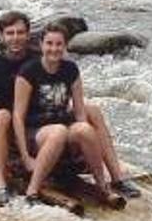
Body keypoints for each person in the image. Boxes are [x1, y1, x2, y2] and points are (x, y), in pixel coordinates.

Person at [0, 12, 138, 206]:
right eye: (10, 33)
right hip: (18, 122)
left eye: (21, 32)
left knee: (92, 109)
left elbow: (63, 90)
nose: (16, 37)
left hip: (47, 114)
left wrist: (83, 140)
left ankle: (116, 177)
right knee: (2, 115)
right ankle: (1, 185)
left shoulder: (45, 56)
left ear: (28, 35)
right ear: (2, 36)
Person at [12, 22, 121, 206]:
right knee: (58, 131)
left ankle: (103, 187)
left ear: (65, 46)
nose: (54, 49)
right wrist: (25, 156)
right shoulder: (28, 72)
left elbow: (79, 112)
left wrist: (83, 146)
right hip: (36, 132)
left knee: (84, 129)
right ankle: (32, 191)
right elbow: (18, 116)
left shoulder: (70, 70)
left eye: (58, 44)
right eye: (49, 44)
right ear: (41, 45)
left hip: (62, 124)